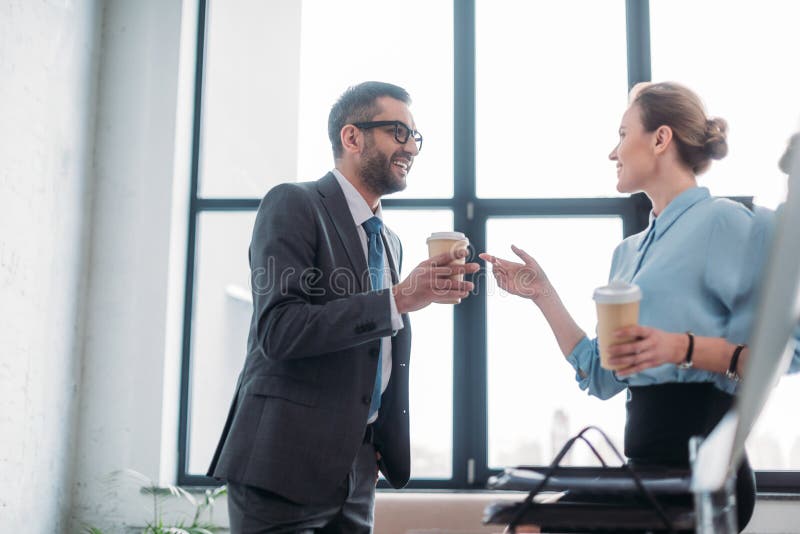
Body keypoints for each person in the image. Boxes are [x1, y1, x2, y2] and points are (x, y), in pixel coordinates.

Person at [480, 82, 783, 532]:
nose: (613, 152)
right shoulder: (628, 253)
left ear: (661, 139)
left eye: (623, 133)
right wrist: (542, 292)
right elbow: (601, 376)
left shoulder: (725, 223)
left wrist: (681, 347)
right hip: (645, 470)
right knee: (522, 524)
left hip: (704, 476)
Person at [208, 81, 479, 533]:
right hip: (283, 465)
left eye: (415, 136)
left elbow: (373, 348)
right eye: (398, 131)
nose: (411, 146)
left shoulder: (388, 240)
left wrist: (373, 443)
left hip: (356, 470)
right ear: (352, 138)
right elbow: (280, 330)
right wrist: (399, 298)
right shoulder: (293, 204)